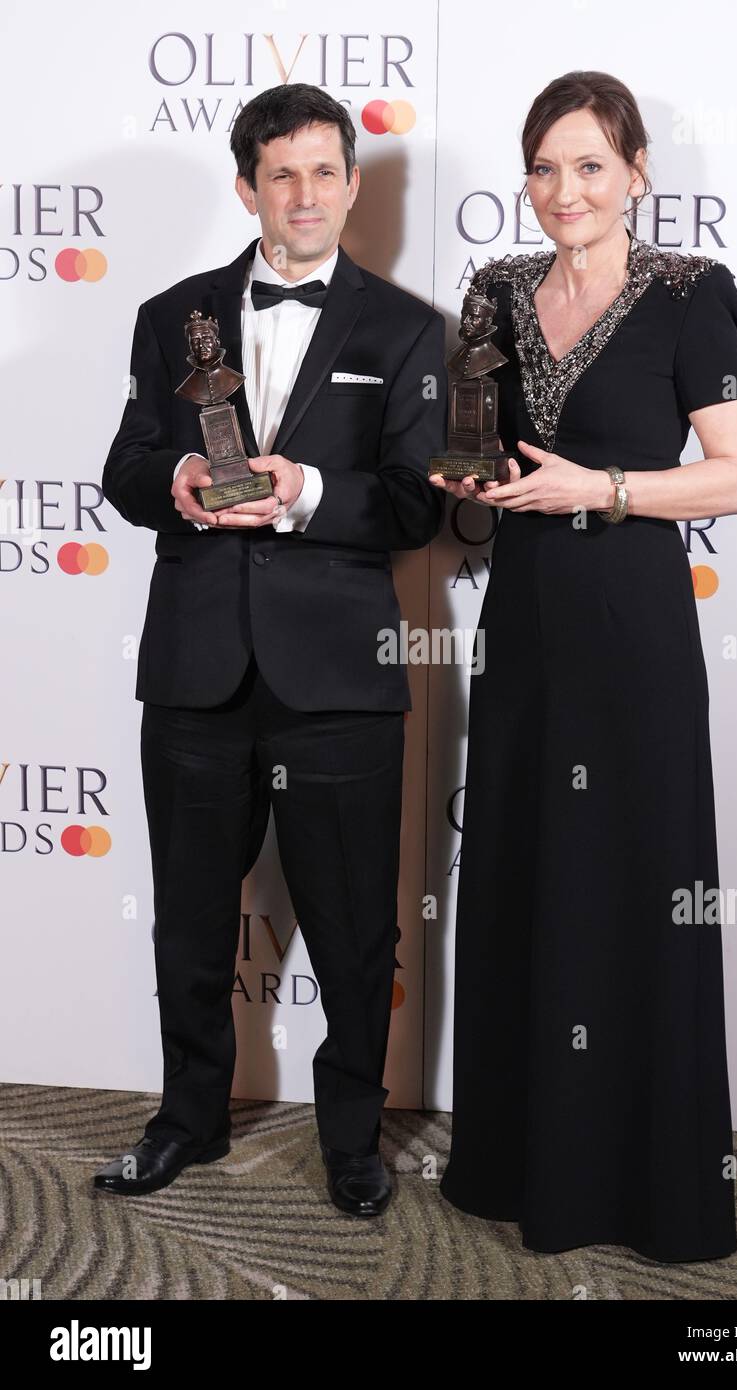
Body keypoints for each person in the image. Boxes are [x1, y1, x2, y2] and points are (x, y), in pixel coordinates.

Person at [430, 70, 737, 1262]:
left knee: (629, 881)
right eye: (541, 167)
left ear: (632, 172)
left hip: (632, 628)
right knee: (530, 877)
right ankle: (522, 1162)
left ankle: (644, 1182)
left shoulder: (690, 293)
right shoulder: (493, 290)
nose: (560, 190)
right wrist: (461, 477)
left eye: (585, 165)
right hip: (524, 623)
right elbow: (469, 439)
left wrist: (603, 488)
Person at [95, 83, 446, 1216]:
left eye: (323, 172)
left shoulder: (403, 331)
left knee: (353, 930)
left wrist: (304, 493)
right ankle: (185, 1120)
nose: (303, 194)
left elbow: (415, 507)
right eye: (279, 173)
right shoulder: (171, 313)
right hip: (196, 671)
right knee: (191, 916)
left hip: (338, 677)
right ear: (247, 186)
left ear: (351, 183)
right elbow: (126, 466)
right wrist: (179, 483)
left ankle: (352, 1138)